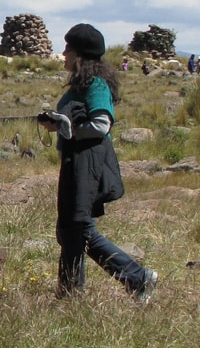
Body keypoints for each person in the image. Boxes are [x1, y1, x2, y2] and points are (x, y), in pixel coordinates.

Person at [37, 24, 158, 304]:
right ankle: (69, 295)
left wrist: (69, 129)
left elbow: (101, 124)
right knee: (69, 229)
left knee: (80, 228)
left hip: (87, 160)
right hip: (74, 159)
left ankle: (138, 278)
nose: (63, 53)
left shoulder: (95, 85)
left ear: (80, 55)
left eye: (68, 49)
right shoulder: (80, 84)